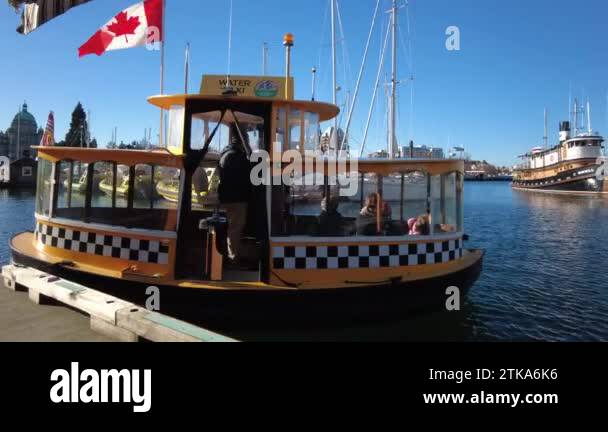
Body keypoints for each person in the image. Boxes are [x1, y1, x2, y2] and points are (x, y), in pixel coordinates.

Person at [218, 123, 252, 264]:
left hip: (227, 196)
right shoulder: (236, 156)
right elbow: (246, 175)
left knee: (234, 227)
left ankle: (233, 254)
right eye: (246, 139)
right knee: (236, 227)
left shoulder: (226, 153)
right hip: (235, 198)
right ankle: (233, 258)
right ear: (242, 140)